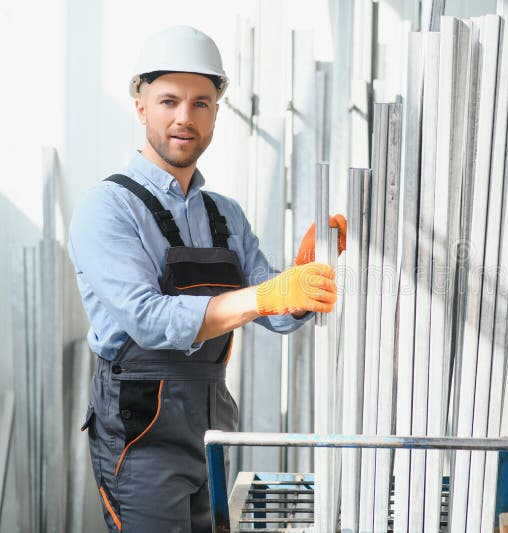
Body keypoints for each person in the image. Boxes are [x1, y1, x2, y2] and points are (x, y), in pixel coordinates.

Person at [67, 25, 345, 532]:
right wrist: (266, 296)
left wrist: (302, 282)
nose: (183, 117)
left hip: (212, 420)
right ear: (140, 105)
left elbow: (275, 315)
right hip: (139, 427)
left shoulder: (225, 214)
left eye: (201, 103)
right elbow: (150, 320)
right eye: (168, 100)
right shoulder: (107, 208)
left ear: (217, 111)